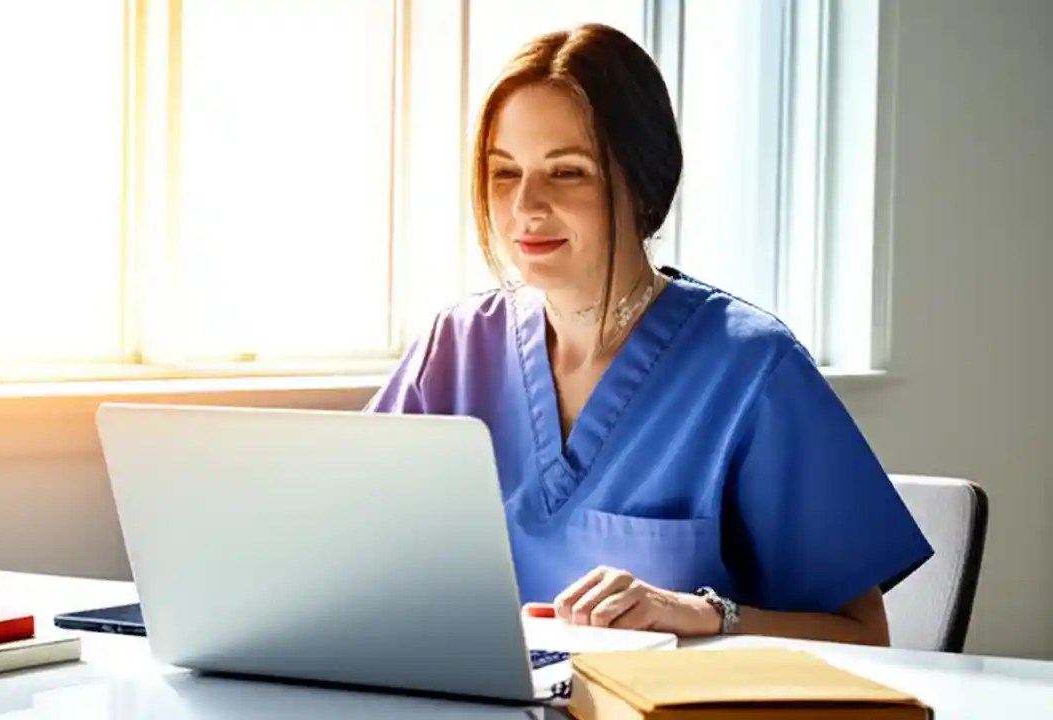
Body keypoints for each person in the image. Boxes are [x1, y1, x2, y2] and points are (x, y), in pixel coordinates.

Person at [366, 23, 932, 646]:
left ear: (644, 182)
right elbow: (340, 552)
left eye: (568, 172)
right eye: (505, 174)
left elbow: (864, 637)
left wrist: (704, 615)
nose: (525, 206)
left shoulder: (750, 369)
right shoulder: (454, 351)